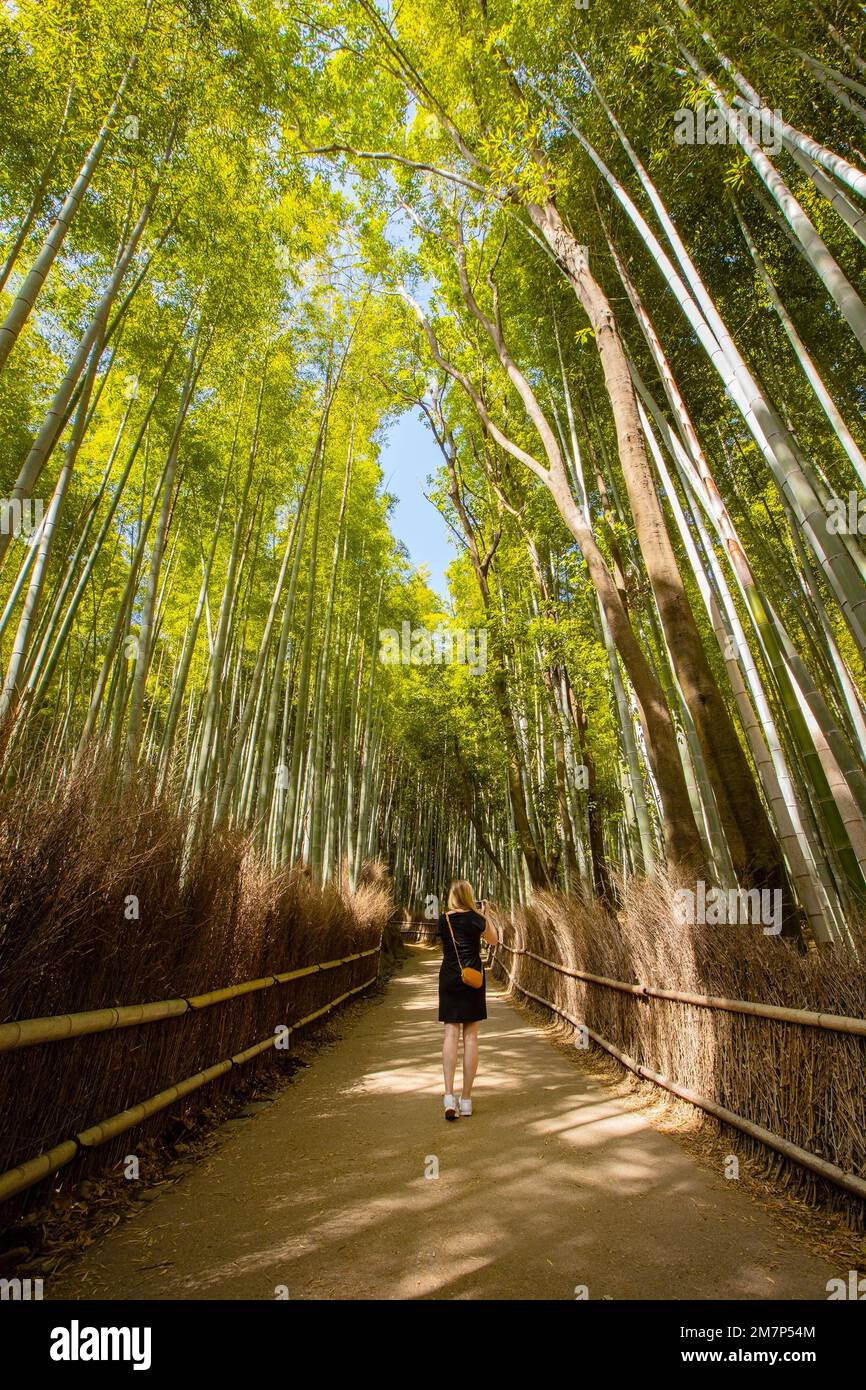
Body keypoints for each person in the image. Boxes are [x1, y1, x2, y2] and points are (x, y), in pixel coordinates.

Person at [438, 879, 501, 1120]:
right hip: (473, 979)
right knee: (471, 1037)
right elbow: (494, 940)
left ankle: (448, 1096)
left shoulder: (444, 919)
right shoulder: (477, 919)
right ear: (469, 896)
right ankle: (466, 1100)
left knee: (450, 1035)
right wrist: (486, 914)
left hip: (450, 978)